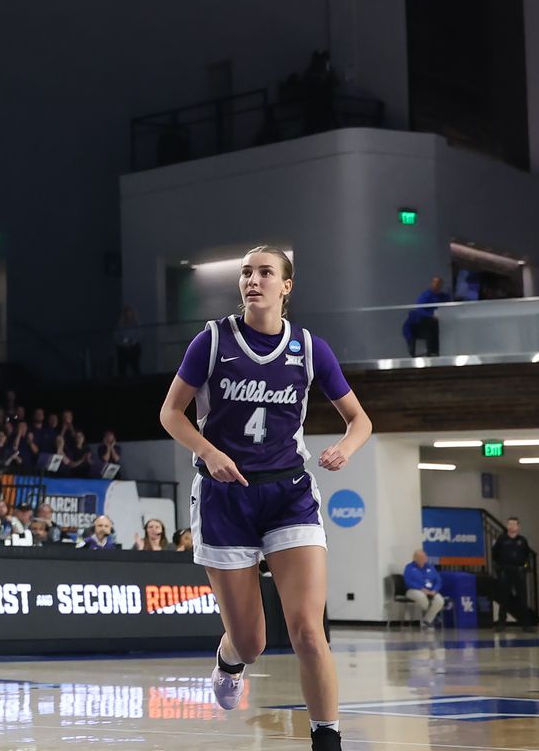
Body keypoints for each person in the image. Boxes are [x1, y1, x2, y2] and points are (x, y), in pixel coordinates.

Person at [159, 245, 372, 751]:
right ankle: (229, 661)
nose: (253, 280)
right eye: (246, 272)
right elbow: (170, 414)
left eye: (265, 272)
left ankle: (327, 739)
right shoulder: (210, 342)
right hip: (225, 497)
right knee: (252, 641)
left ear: (286, 286)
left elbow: (360, 420)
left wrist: (345, 447)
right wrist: (208, 452)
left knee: (305, 629)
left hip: (288, 494)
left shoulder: (310, 347)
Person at [491, 517, 535, 626]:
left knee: (522, 598)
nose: (511, 526)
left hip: (519, 571)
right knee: (504, 597)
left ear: (518, 527)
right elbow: (494, 555)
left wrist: (525, 567)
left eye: (514, 524)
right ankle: (501, 622)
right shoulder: (501, 540)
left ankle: (526, 623)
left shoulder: (522, 541)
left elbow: (527, 556)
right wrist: (499, 568)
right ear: (507, 526)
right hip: (505, 571)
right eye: (509, 524)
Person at [401, 275, 452, 358]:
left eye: (439, 283)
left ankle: (440, 349)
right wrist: (432, 315)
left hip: (442, 320)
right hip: (426, 321)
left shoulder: (444, 297)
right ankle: (432, 350)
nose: (436, 285)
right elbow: (420, 309)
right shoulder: (425, 295)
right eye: (435, 283)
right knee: (430, 325)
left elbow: (449, 307)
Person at [401, 548, 446, 627]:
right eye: (420, 557)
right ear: (414, 558)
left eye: (424, 557)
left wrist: (435, 590)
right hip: (414, 590)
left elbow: (438, 581)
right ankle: (433, 615)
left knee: (440, 601)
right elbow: (408, 581)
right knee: (421, 597)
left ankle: (426, 621)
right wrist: (421, 589)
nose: (422, 559)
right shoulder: (409, 568)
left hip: (431, 591)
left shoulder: (431, 568)